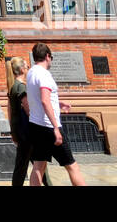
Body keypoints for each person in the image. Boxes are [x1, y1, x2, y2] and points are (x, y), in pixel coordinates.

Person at [25, 43, 84, 187]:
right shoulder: (44, 74)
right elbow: (45, 101)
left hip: (36, 125)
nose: (51, 60)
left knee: (39, 166)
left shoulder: (31, 72)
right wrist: (56, 128)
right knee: (72, 166)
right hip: (49, 126)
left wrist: (58, 103)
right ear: (47, 56)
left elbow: (38, 98)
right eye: (51, 57)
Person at [8, 56, 48, 187]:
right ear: (21, 69)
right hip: (28, 132)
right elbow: (28, 109)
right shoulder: (20, 87)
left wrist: (13, 132)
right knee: (30, 164)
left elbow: (10, 112)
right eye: (26, 67)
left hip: (22, 131)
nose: (28, 69)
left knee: (35, 162)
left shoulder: (14, 86)